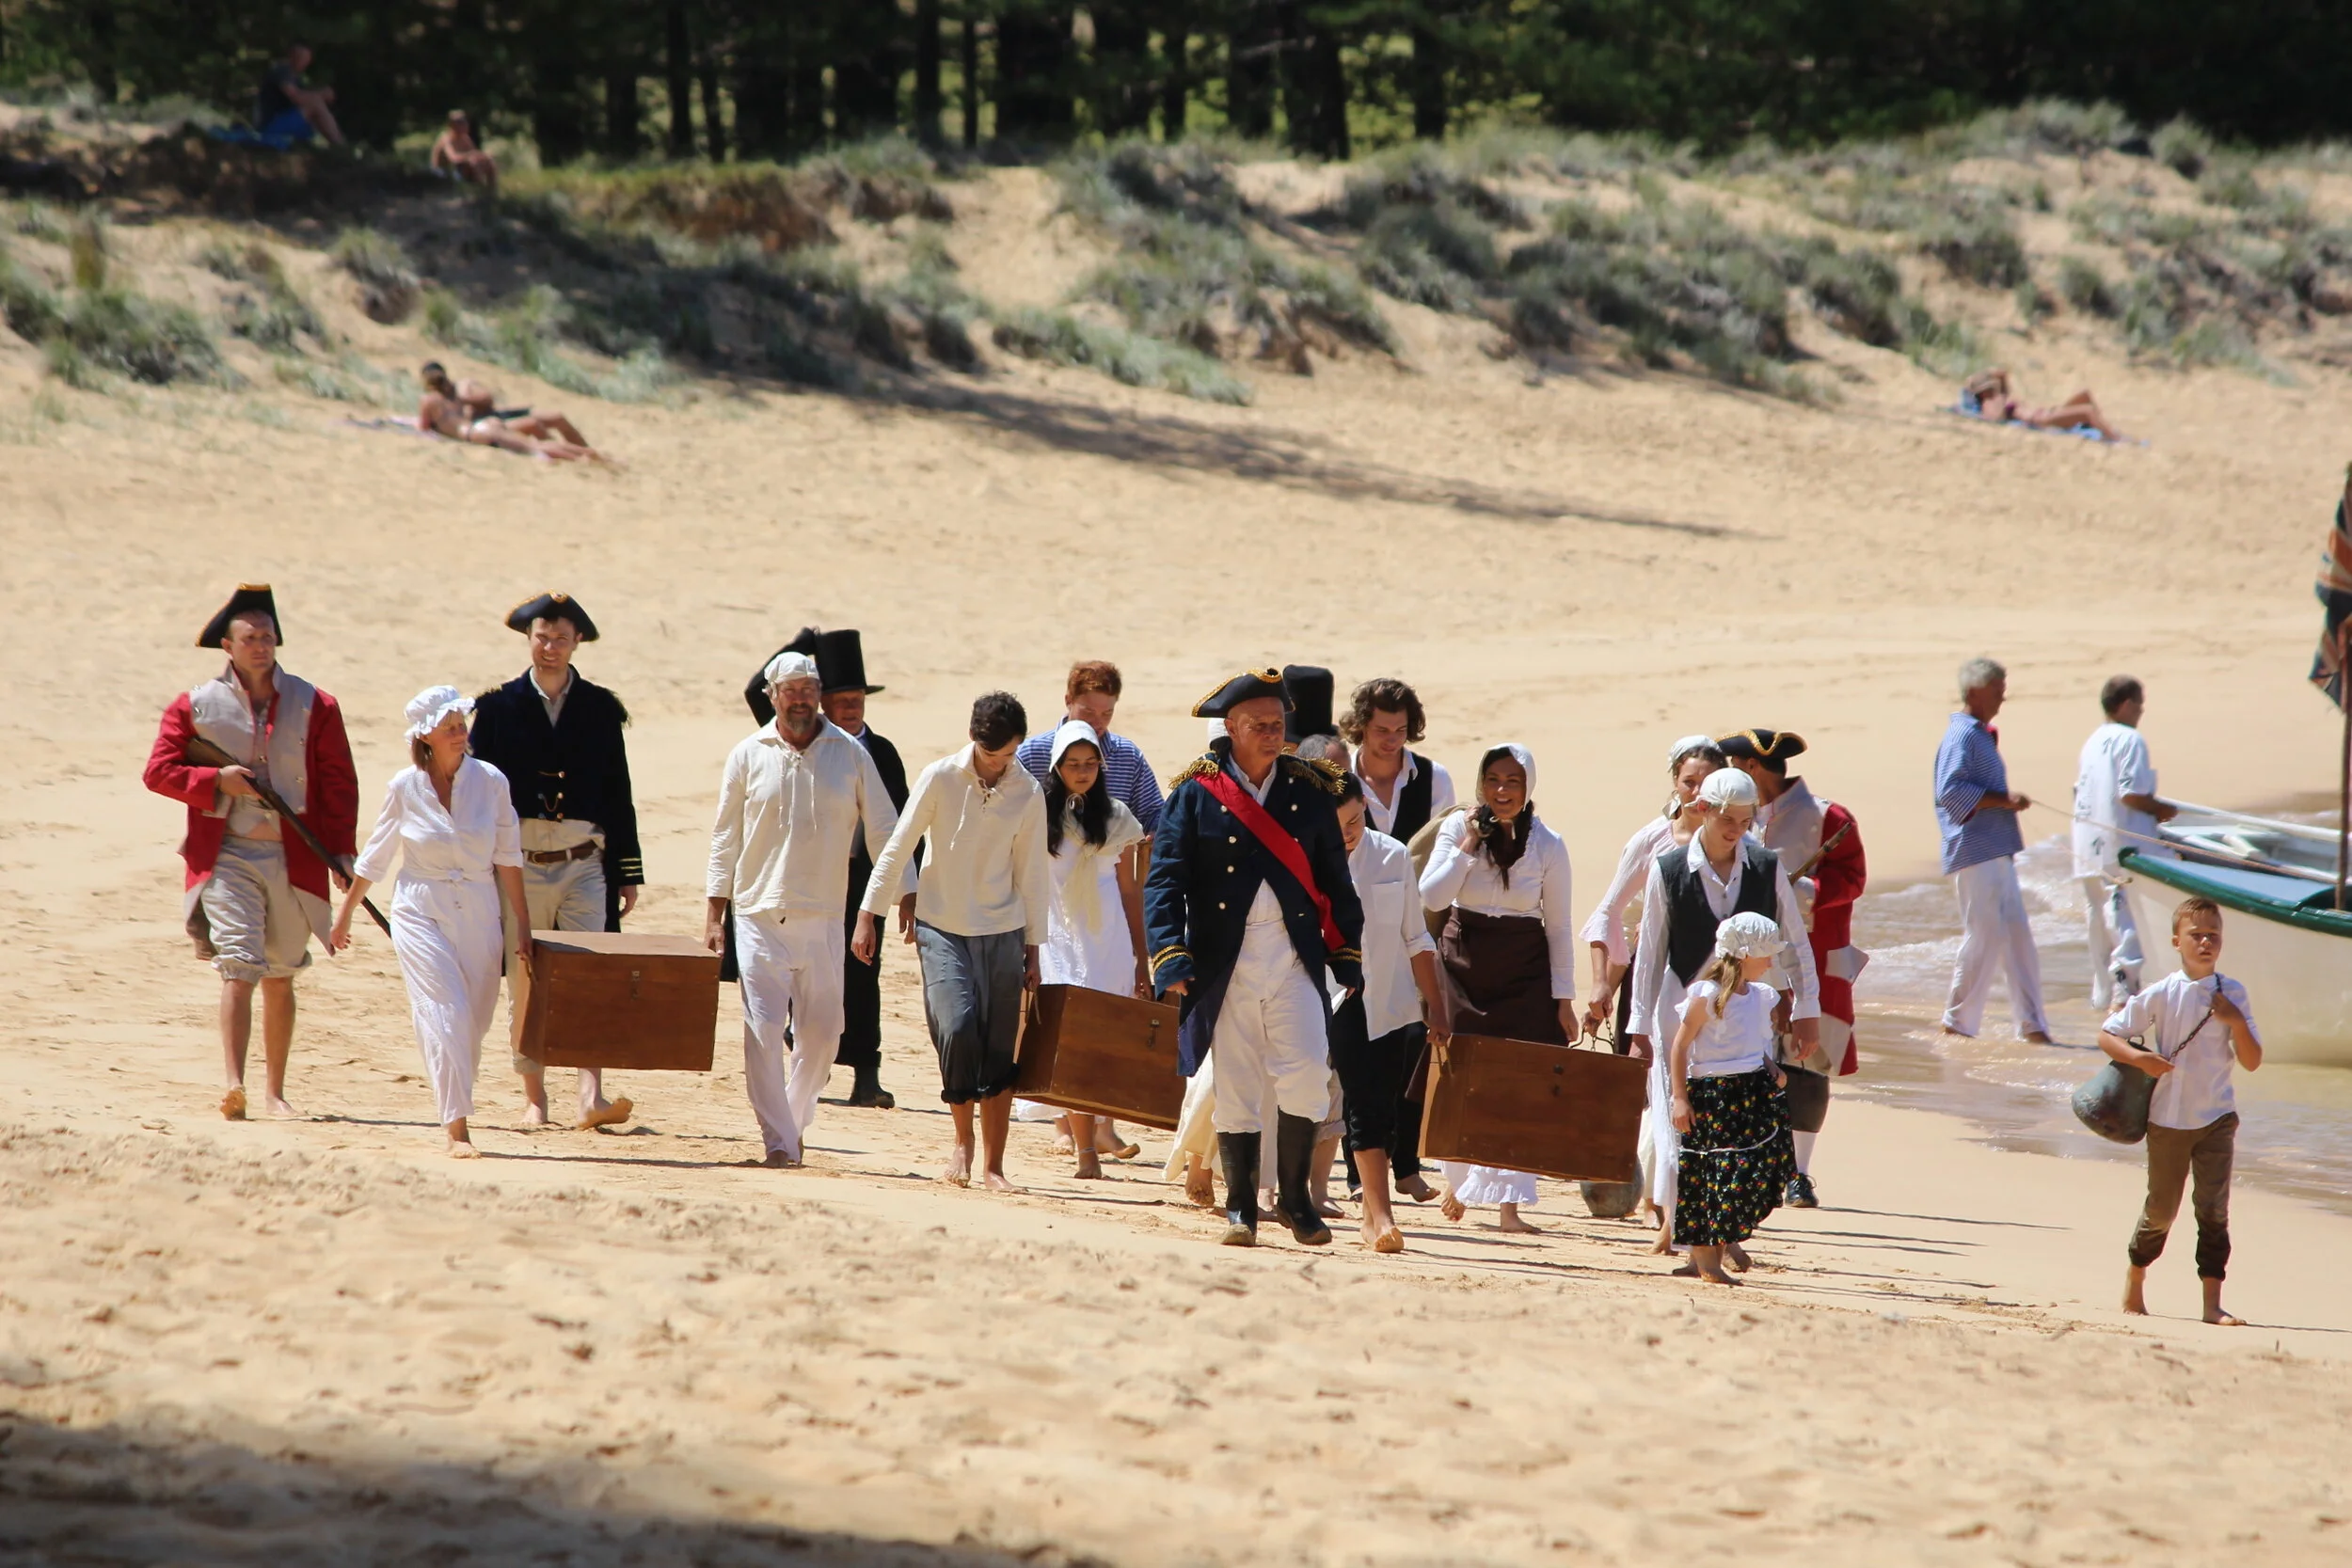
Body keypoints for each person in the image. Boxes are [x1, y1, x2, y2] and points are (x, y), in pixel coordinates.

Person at [1145, 670, 1363, 1248]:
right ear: (1232, 729)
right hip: (1228, 960)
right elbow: (1164, 880)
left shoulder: (1309, 788)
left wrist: (1346, 950)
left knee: (1309, 1077)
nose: (1273, 734)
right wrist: (1170, 954)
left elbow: (1334, 879)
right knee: (1238, 1087)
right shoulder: (1196, 792)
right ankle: (1241, 1207)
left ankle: (1294, 1201)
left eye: (1278, 724)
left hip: (1293, 956)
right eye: (1260, 726)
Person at [143, 585, 358, 1121]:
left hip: (295, 857)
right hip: (228, 854)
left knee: (282, 972)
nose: (261, 646)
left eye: (267, 637)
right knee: (239, 964)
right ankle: (233, 1084)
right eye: (249, 638)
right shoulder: (195, 704)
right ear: (227, 646)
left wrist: (343, 854)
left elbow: (338, 785)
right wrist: (217, 779)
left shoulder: (318, 704)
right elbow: (159, 771)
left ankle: (275, 1092)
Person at [707, 650, 898, 1169]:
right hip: (757, 914)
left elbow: (885, 829)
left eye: (809, 690)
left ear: (819, 695)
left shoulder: (851, 753)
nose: (800, 700)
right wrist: (712, 912)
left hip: (824, 917)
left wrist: (899, 897)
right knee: (764, 1031)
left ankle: (791, 1123)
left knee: (823, 1035)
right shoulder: (748, 752)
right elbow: (726, 835)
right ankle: (779, 1142)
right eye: (790, 690)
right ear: (771, 696)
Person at [857, 692, 1050, 1191]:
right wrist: (867, 915)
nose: (1001, 765)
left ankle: (993, 1166)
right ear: (973, 740)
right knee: (958, 1026)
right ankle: (961, 1143)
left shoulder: (1028, 792)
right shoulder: (940, 776)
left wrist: (1034, 947)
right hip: (941, 925)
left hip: (1004, 930)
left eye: (1009, 754)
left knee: (999, 1047)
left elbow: (1033, 875)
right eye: (992, 755)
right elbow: (900, 844)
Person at [467, 592, 643, 1131]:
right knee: (525, 978)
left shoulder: (600, 708)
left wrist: (629, 871)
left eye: (561, 639)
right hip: (518, 865)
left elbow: (619, 791)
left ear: (577, 643)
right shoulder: (496, 708)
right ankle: (534, 1097)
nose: (550, 648)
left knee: (591, 973)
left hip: (585, 862)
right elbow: (475, 793)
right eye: (542, 637)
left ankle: (590, 1092)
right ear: (529, 639)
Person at [330, 687, 529, 1157]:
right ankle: (457, 1129)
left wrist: (521, 925)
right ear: (426, 736)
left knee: (473, 1020)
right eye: (450, 728)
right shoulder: (405, 786)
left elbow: (509, 857)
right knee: (446, 1013)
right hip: (419, 908)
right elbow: (376, 856)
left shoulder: (492, 781)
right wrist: (344, 916)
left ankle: (456, 1095)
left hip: (480, 907)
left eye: (462, 724)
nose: (461, 733)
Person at [1627, 768, 1819, 1253]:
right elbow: (1650, 953)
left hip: (1745, 1011)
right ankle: (1688, 1229)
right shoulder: (1668, 868)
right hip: (1679, 1006)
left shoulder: (1765, 864)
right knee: (1681, 1123)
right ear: (1704, 811)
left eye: (1746, 819)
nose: (1737, 829)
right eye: (1728, 818)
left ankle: (1720, 1230)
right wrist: (1637, 1026)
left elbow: (1794, 941)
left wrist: (1808, 1007)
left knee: (1738, 1122)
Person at [1416, 743, 1575, 1233]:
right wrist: (1467, 845)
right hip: (1462, 958)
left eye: (1512, 782)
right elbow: (1432, 895)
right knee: (1461, 1073)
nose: (1501, 791)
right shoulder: (1455, 827)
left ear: (1528, 788)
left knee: (1518, 1080)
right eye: (1493, 780)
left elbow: (1559, 926)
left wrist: (1564, 998)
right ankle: (1457, 1180)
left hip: (1524, 967)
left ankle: (1510, 1206)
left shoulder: (1548, 844)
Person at [1014, 659, 1163, 1153]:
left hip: (1107, 911)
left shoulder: (1128, 757)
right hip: (1055, 913)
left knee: (1105, 1014)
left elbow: (1152, 825)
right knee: (1064, 1014)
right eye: (1089, 710)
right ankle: (1069, 1129)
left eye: (1107, 712)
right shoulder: (1034, 752)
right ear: (1068, 702)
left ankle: (1100, 1125)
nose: (1098, 721)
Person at [1719, 728, 1867, 1210]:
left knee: (1806, 1061)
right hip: (1748, 958)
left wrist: (1800, 893)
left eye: (1733, 765)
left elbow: (1851, 879)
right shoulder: (1733, 817)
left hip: (1813, 956)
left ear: (1751, 767)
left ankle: (1799, 1174)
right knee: (1743, 1055)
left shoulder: (1829, 817)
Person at [2099, 897, 2262, 1327]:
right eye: (2196, 935)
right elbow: (2109, 1035)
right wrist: (2141, 1061)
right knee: (2162, 1210)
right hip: (2168, 1118)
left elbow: (2252, 1061)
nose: (2206, 942)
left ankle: (2212, 1305)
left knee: (2213, 1210)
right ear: (2177, 941)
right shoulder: (2161, 993)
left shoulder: (2234, 993)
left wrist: (2237, 1022)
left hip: (2217, 1118)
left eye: (2214, 936)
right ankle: (2135, 1280)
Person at [1331, 772, 1447, 1251]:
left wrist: (1435, 1006)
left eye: (1354, 819)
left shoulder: (1394, 855)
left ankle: (1373, 1214)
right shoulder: (1304, 856)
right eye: (1336, 825)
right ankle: (1373, 1213)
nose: (1347, 832)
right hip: (1329, 997)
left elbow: (1415, 937)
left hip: (1388, 1001)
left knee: (1376, 1107)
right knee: (1334, 1100)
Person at [1035, 720, 1152, 1179]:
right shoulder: (1038, 815)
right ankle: (1086, 1150)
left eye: (1090, 764)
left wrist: (1143, 958)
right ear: (1057, 766)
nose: (1082, 772)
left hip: (1108, 941)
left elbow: (1129, 890)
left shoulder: (1118, 817)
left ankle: (1100, 1132)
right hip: (1058, 936)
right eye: (1073, 764)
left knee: (1105, 1041)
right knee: (1073, 1043)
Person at [1666, 912, 1796, 1286]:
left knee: (1753, 1171)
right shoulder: (1707, 996)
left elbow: (1754, 1044)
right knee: (1714, 1174)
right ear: (1743, 955)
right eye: (1765, 954)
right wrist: (1679, 1097)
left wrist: (1771, 1066)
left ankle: (1721, 1246)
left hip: (1751, 1091)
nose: (1770, 962)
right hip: (1714, 1095)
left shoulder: (1759, 996)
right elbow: (1680, 1046)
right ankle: (1707, 1262)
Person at [812, 628, 911, 1109]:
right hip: (813, 880)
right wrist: (801, 642)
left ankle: (866, 1077)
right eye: (840, 699)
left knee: (864, 974)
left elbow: (906, 824)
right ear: (823, 702)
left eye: (857, 699)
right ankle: (813, 1068)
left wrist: (908, 888)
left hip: (866, 883)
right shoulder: (809, 744)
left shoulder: (884, 752)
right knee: (814, 971)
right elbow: (756, 690)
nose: (851, 708)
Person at [1935, 657, 2052, 1044]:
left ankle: (2032, 1025)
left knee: (2017, 935)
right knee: (1983, 935)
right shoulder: (1963, 735)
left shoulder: (1977, 734)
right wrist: (2005, 800)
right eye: (1997, 690)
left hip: (1995, 850)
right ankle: (1957, 1021)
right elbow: (1949, 793)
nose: (2003, 697)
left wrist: (2004, 802)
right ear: (1974, 693)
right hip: (1975, 849)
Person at [1581, 736, 1724, 1043]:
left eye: (1708, 782)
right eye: (1690, 782)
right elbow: (1613, 916)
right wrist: (1601, 985)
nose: (1698, 792)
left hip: (1720, 985)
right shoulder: (1650, 842)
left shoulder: (1739, 842)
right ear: (1675, 780)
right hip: (1652, 982)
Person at [2074, 675, 2178, 1009]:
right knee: (2128, 919)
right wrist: (2159, 808)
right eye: (2140, 704)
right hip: (2121, 847)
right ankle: (2124, 999)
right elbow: (2131, 794)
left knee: (2100, 924)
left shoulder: (2092, 741)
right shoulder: (2131, 739)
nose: (2142, 711)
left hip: (2088, 845)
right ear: (2127, 704)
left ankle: (2104, 999)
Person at [1341, 677, 1455, 843]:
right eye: (1382, 730)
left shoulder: (1435, 779)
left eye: (1400, 730)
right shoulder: (1340, 781)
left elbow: (1447, 846)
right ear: (1361, 725)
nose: (1392, 740)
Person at [1962, 368, 2125, 441]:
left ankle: (2100, 427)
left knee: (2085, 395)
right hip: (2042, 420)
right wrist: (1994, 391)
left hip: (2046, 413)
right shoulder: (1990, 402)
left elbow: (2004, 375)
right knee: (2087, 411)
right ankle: (2113, 438)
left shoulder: (1999, 396)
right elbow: (1995, 418)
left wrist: (1996, 380)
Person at [455, 378, 594, 450]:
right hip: (490, 425)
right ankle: (567, 452)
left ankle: (587, 451)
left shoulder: (461, 387)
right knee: (534, 425)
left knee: (558, 417)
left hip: (498, 413)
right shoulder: (442, 402)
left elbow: (487, 399)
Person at [254, 43, 345, 147]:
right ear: (292, 56)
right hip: (270, 127)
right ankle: (339, 144)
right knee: (315, 104)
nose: (304, 63)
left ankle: (339, 142)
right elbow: (295, 97)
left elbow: (306, 98)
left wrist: (320, 95)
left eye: (307, 59)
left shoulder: (296, 78)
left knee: (317, 108)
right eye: (301, 58)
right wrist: (321, 94)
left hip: (285, 123)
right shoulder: (281, 70)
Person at [430, 111, 499, 189]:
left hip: (459, 168)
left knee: (488, 161)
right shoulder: (446, 139)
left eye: (464, 121)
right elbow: (453, 158)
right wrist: (470, 156)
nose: (465, 125)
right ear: (452, 125)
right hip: (445, 171)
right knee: (473, 163)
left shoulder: (464, 138)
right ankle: (479, 189)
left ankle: (491, 190)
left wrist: (485, 156)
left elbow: (474, 153)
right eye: (460, 123)